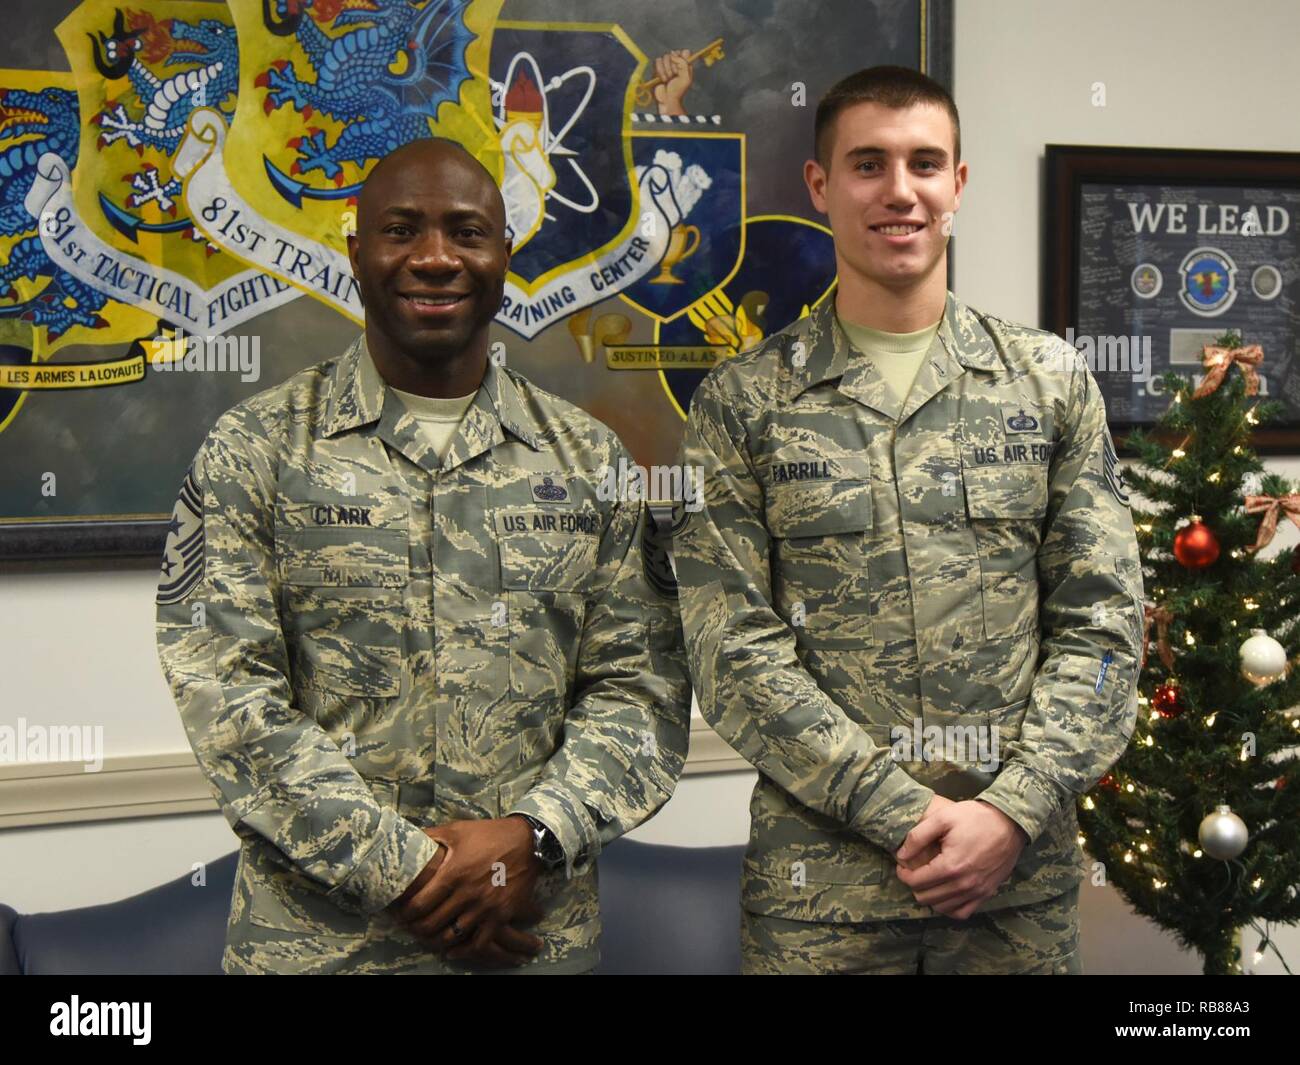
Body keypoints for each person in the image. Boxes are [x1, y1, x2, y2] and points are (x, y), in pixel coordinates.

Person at [155, 137, 690, 974]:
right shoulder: (254, 449)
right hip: (322, 947)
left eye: (466, 232)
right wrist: (412, 875)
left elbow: (642, 689)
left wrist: (532, 840)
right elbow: (227, 691)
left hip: (529, 944)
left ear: (505, 254)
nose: (435, 257)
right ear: (356, 253)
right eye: (402, 230)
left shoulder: (591, 461)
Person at [673, 66, 1144, 974]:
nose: (901, 192)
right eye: (868, 165)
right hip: (824, 903)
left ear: (957, 183)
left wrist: (1011, 809)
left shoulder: (1047, 382)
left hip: (1017, 891)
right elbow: (730, 649)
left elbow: (1104, 624)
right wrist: (906, 814)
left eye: (926, 164)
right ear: (820, 187)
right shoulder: (744, 404)